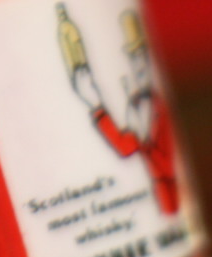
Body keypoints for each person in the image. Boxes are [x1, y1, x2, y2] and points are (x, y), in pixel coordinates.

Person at [64, 7, 182, 217]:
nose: (139, 66)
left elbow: (162, 158)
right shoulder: (138, 104)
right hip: (156, 196)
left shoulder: (154, 106)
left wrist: (142, 133)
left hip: (171, 197)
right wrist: (95, 105)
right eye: (134, 58)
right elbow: (125, 146)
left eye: (142, 57)